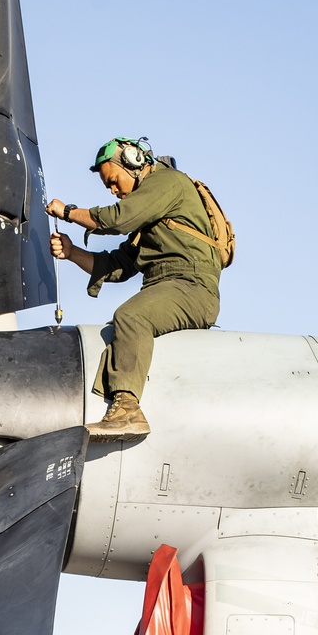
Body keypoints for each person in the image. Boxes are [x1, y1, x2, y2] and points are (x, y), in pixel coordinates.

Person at [46, 137, 220, 440]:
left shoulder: (168, 182)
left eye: (113, 181)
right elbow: (119, 265)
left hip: (192, 286)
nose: (114, 191)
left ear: (134, 162)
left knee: (131, 317)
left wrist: (68, 212)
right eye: (109, 188)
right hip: (169, 286)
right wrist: (72, 253)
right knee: (121, 324)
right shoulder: (150, 216)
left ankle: (127, 411)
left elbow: (119, 219)